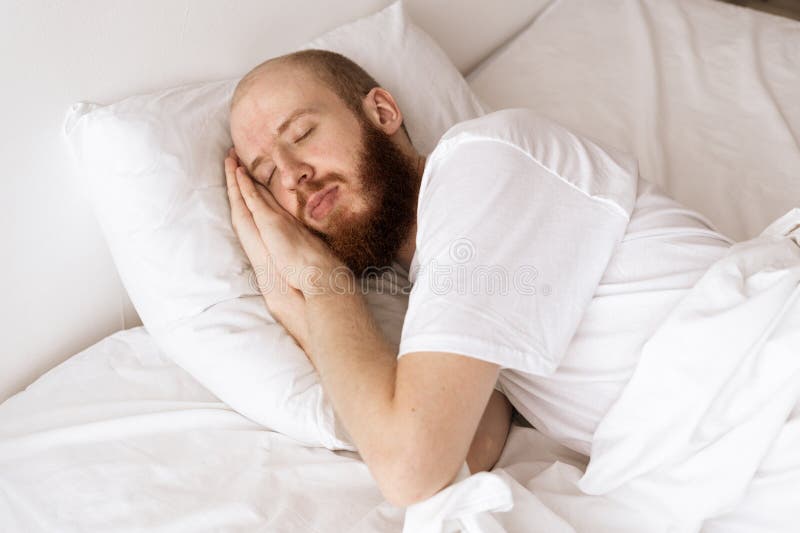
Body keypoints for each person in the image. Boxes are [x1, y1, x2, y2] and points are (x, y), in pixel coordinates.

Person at [224, 49, 733, 507]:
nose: (292, 175)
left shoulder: (485, 159)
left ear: (381, 113)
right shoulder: (433, 289)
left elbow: (410, 469)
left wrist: (318, 282)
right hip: (720, 451)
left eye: (302, 134)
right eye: (267, 176)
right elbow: (459, 455)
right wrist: (299, 310)